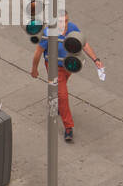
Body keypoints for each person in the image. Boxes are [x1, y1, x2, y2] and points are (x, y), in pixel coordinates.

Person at [30, 11, 102, 143]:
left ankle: (56, 101)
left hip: (69, 65)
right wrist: (34, 69)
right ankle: (68, 127)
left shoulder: (73, 28)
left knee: (60, 90)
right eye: (62, 21)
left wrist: (95, 59)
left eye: (67, 21)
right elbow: (38, 53)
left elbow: (84, 44)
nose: (65, 24)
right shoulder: (48, 33)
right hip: (54, 67)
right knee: (63, 95)